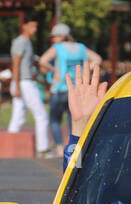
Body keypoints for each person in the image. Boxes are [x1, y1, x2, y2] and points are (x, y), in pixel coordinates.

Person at [38, 23, 102, 157]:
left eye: (54, 36)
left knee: (55, 120)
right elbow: (97, 59)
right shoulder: (81, 47)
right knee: (72, 119)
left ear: (61, 36)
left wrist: (55, 71)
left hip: (60, 88)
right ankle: (72, 146)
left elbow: (43, 60)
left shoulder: (57, 48)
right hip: (77, 89)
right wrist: (85, 70)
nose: (53, 39)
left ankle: (60, 148)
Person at [3, 17, 50, 158]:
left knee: (18, 116)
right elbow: (15, 63)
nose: (34, 30)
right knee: (41, 115)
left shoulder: (28, 42)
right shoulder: (21, 42)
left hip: (24, 81)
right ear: (24, 26)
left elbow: (25, 64)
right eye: (31, 27)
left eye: (36, 27)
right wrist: (16, 85)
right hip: (23, 83)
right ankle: (44, 149)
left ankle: (9, 146)